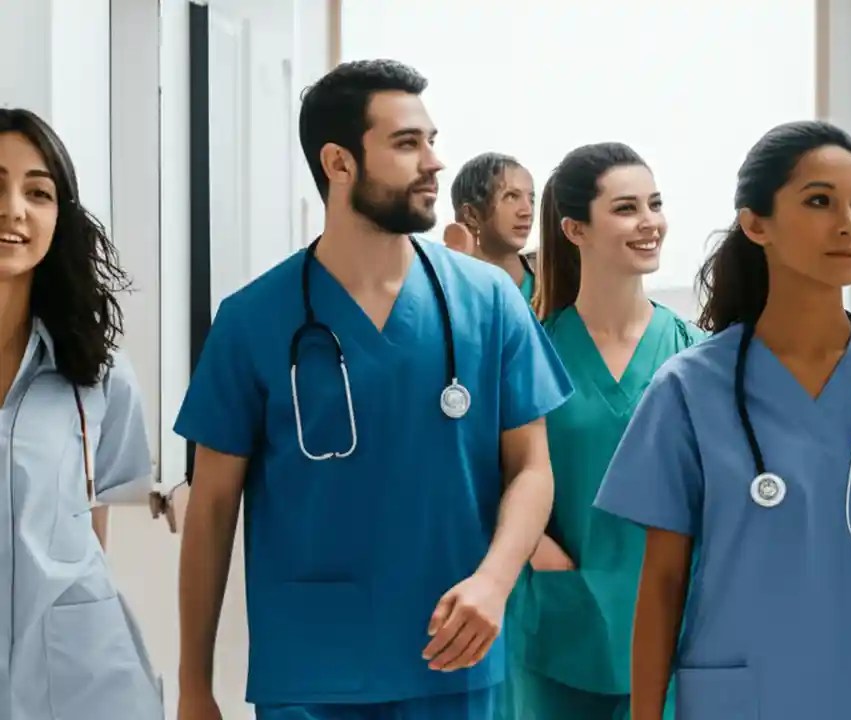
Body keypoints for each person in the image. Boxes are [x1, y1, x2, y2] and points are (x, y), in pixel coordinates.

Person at [173, 59, 574, 720]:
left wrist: (495, 580)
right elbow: (213, 508)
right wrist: (194, 685)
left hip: (454, 658)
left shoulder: (489, 301)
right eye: (407, 143)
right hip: (311, 673)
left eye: (432, 140)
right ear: (339, 163)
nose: (434, 162)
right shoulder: (251, 321)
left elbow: (532, 468)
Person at [593, 120, 851, 719]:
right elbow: (662, 582)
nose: (849, 224)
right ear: (757, 225)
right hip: (745, 699)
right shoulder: (690, 388)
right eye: (819, 202)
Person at [508, 142, 702, 719]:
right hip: (560, 625)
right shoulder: (531, 350)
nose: (649, 222)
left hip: (675, 623)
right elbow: (487, 470)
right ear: (575, 229)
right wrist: (536, 548)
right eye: (626, 208)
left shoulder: (693, 353)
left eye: (655, 204)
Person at [0, 108, 163, 719]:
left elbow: (95, 519)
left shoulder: (98, 372)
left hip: (82, 673)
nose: (14, 210)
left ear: (58, 218)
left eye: (38, 193)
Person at [443, 152, 538, 302]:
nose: (527, 211)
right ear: (472, 215)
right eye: (511, 197)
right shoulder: (444, 293)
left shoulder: (553, 291)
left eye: (531, 199)